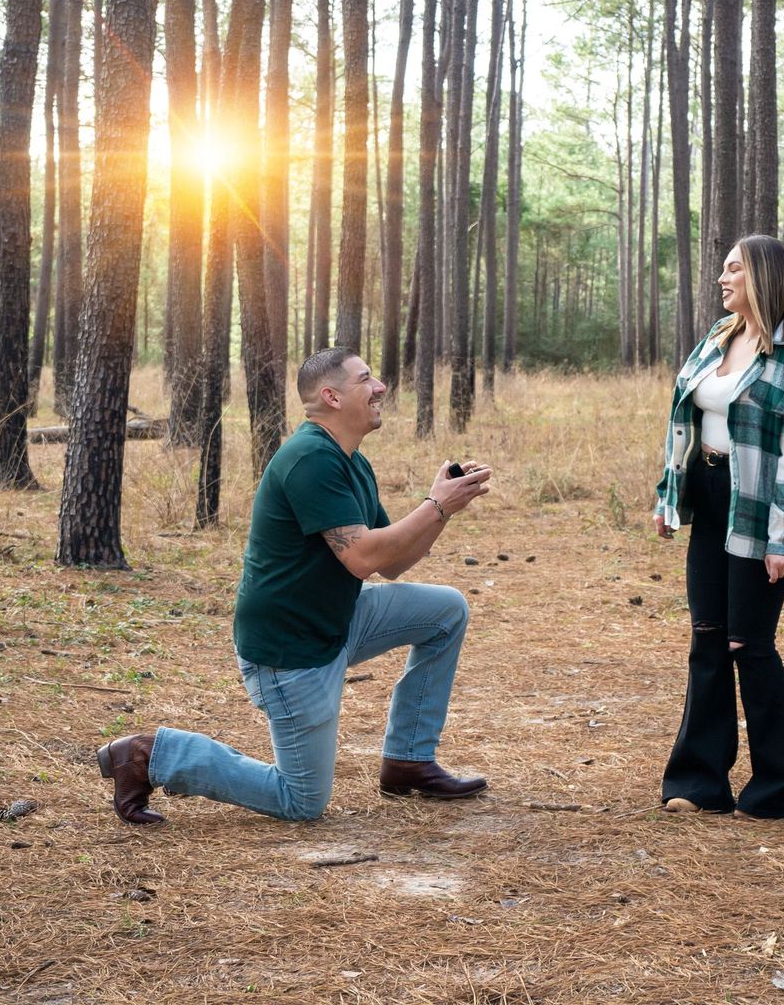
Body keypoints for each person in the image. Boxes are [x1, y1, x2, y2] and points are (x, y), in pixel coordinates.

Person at [96, 347, 492, 825]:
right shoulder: (310, 459)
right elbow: (364, 557)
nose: (380, 387)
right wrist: (435, 503)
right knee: (300, 801)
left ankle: (407, 761)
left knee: (445, 611)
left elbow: (393, 562)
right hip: (291, 654)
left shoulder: (350, 461)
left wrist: (444, 506)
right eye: (366, 379)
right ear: (332, 396)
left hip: (336, 622)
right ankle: (147, 753)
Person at [652, 234, 784, 819]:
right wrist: (669, 495)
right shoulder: (718, 337)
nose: (722, 278)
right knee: (707, 639)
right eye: (724, 268)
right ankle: (698, 783)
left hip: (757, 508)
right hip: (706, 497)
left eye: (734, 269)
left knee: (747, 645)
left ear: (762, 276)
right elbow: (684, 418)